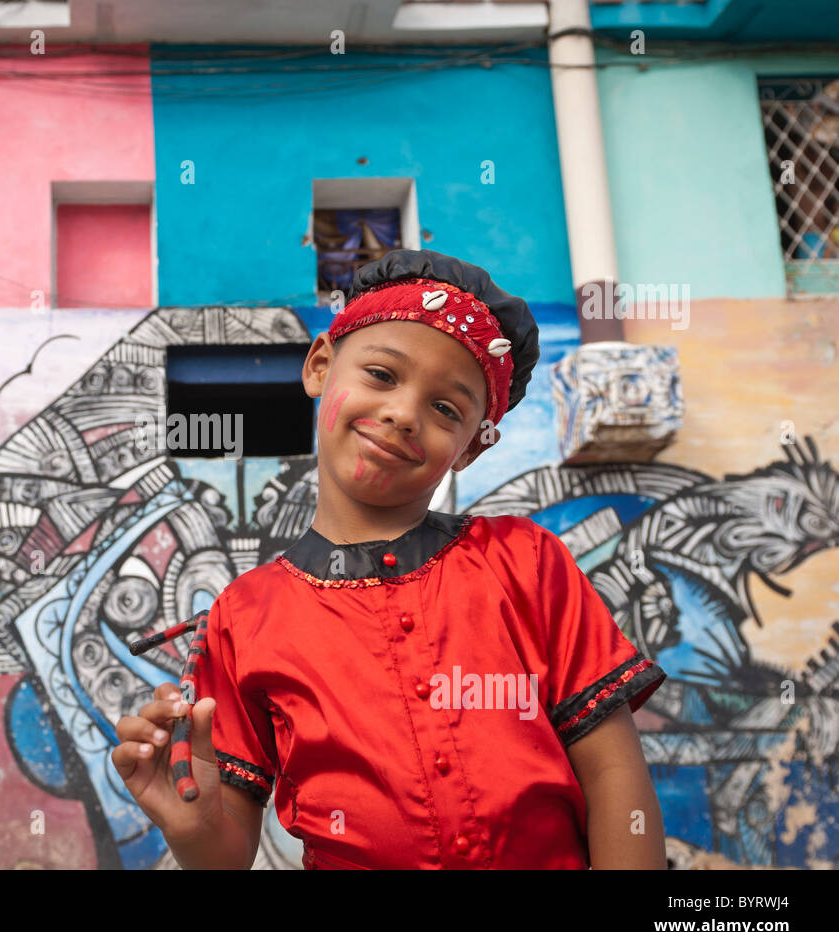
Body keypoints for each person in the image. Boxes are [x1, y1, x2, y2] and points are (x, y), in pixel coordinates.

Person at [111, 248, 668, 869]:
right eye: (381, 375)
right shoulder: (243, 620)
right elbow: (227, 852)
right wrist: (195, 829)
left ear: (471, 449)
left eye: (447, 409)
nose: (404, 413)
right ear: (320, 365)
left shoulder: (526, 563)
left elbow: (615, 774)